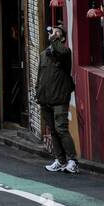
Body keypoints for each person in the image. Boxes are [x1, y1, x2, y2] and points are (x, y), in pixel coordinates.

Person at [35, 26, 78, 174]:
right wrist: (38, 93)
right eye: (52, 31)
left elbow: (60, 51)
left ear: (63, 38)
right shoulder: (43, 54)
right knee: (53, 130)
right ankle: (60, 160)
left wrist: (55, 39)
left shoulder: (65, 53)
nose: (53, 33)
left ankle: (72, 161)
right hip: (45, 99)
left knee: (61, 129)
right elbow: (40, 76)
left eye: (57, 32)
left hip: (59, 97)